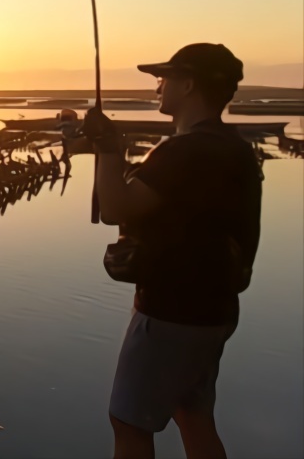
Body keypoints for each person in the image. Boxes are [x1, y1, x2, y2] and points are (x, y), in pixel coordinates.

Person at [82, 43, 262, 459]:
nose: (157, 86)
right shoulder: (233, 148)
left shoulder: (184, 151)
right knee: (192, 413)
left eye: (164, 77)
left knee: (128, 424)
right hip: (213, 311)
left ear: (188, 84)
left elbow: (115, 209)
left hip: (170, 315)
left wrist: (109, 150)